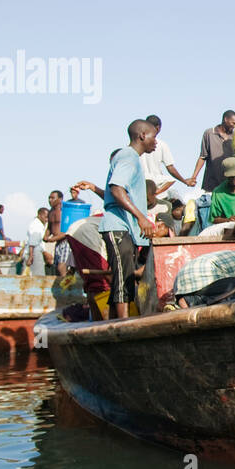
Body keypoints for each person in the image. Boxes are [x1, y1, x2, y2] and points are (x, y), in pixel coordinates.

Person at [100, 119, 158, 320]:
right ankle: (123, 325)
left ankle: (117, 321)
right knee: (123, 278)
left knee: (125, 276)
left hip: (126, 228)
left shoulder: (132, 158)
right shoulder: (128, 156)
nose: (156, 142)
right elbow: (116, 189)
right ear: (142, 135)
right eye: (154, 137)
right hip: (117, 227)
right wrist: (141, 217)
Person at [141, 114, 195, 201]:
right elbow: (170, 168)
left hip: (140, 188)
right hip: (157, 188)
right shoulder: (161, 144)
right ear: (158, 128)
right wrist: (185, 181)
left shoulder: (137, 143)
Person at [191, 110, 235, 193]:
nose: (234, 126)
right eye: (233, 123)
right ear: (225, 119)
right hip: (211, 184)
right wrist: (194, 176)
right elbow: (203, 156)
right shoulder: (209, 133)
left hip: (229, 183)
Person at [42, 189, 66, 276]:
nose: (50, 200)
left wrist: (53, 239)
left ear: (60, 199)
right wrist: (46, 235)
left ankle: (66, 288)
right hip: (57, 243)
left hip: (65, 242)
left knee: (61, 267)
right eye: (49, 198)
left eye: (53, 198)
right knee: (56, 268)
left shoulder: (64, 212)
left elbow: (67, 231)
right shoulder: (51, 212)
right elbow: (49, 227)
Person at [25, 207, 47, 277]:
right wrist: (31, 256)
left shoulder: (39, 224)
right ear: (40, 215)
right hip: (34, 252)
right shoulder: (36, 225)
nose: (46, 220)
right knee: (38, 276)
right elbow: (32, 242)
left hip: (34, 252)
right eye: (45, 217)